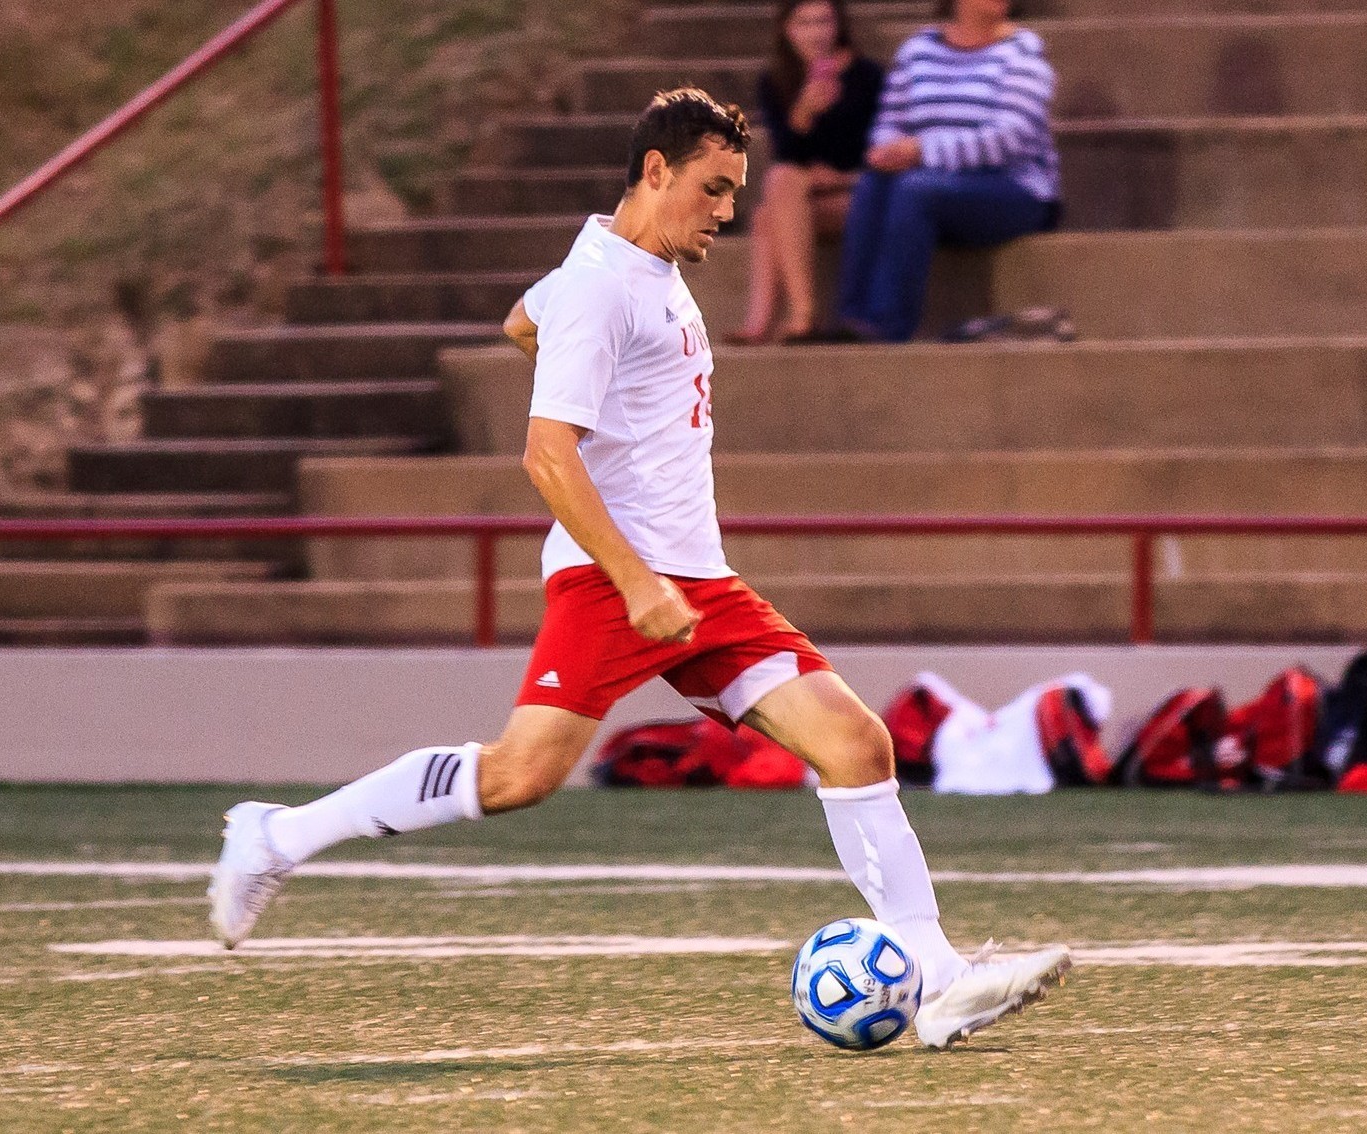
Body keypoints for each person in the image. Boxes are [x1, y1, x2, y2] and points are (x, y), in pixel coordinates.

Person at [208, 88, 1071, 1050]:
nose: (727, 212)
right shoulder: (602, 287)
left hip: (698, 579)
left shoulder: (617, 270)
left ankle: (941, 979)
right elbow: (546, 456)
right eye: (712, 190)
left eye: (736, 193)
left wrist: (573, 364)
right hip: (617, 580)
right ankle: (273, 837)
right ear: (655, 172)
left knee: (857, 744)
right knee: (520, 774)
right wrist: (634, 579)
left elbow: (516, 321)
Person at [836, 0, 1060, 343]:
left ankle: (886, 324)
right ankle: (852, 317)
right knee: (875, 182)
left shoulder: (1023, 54)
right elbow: (890, 122)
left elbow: (1009, 139)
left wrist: (922, 151)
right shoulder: (918, 51)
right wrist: (888, 151)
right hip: (930, 185)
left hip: (1013, 189)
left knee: (915, 188)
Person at [729, 0, 882, 345]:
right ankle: (770, 322)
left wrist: (840, 177)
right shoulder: (777, 81)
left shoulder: (867, 77)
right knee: (772, 203)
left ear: (837, 25)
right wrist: (803, 112)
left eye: (824, 22)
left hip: (860, 194)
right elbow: (788, 155)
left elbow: (877, 151)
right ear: (788, 29)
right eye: (805, 23)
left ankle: (797, 316)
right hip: (806, 197)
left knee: (773, 203)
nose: (816, 33)